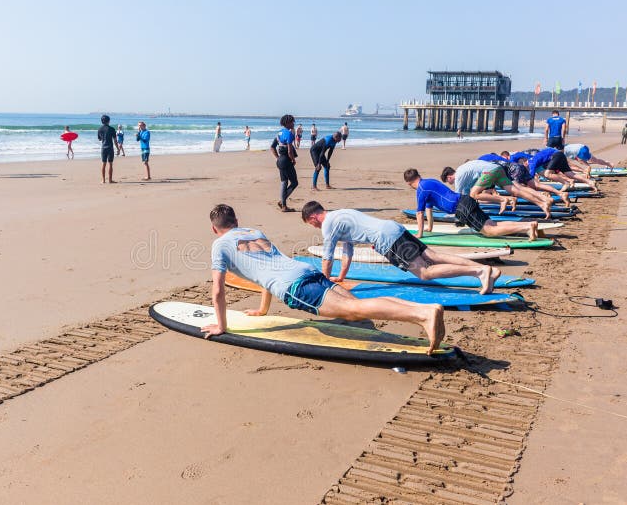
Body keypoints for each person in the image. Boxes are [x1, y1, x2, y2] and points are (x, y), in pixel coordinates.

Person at [205, 204, 447, 355]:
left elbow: (218, 291)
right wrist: (262, 309)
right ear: (236, 222)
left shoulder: (219, 245)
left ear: (215, 229)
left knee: (354, 310)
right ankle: (424, 308)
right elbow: (265, 274)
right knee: (356, 308)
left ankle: (423, 315)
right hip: (306, 271)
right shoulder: (254, 232)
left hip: (294, 287)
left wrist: (221, 327)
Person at [301, 202, 500, 295]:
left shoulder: (328, 224)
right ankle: (487, 272)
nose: (315, 227)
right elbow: (347, 251)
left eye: (312, 224)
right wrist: (342, 276)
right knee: (434, 256)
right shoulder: (341, 214)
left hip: (387, 240)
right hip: (394, 228)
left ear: (313, 217)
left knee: (424, 272)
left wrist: (324, 282)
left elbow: (327, 257)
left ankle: (479, 271)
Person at [403, 169, 538, 241]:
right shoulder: (429, 182)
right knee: (492, 224)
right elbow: (428, 209)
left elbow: (419, 213)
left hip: (462, 207)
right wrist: (429, 228)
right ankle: (529, 225)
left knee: (489, 231)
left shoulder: (422, 189)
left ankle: (526, 227)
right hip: (465, 200)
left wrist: (419, 234)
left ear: (409, 183)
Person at [441, 160, 554, 218]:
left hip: (490, 172)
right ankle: (542, 203)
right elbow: (466, 194)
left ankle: (503, 200)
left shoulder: (459, 177)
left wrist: (455, 213)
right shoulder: (464, 171)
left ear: (449, 177)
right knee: (515, 191)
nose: (451, 183)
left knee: (474, 194)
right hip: (497, 168)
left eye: (448, 181)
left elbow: (458, 197)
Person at [505, 151, 572, 207]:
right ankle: (560, 193)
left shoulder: (511, 158)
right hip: (529, 165)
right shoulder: (512, 157)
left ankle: (544, 197)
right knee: (536, 184)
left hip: (527, 165)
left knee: (519, 188)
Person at [527, 147, 599, 193]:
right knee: (570, 174)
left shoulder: (531, 162)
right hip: (559, 154)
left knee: (547, 174)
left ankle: (565, 184)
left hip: (556, 155)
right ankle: (590, 182)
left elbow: (531, 177)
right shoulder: (533, 159)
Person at [270, 114, 298, 212]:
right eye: (292, 121)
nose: (293, 123)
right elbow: (290, 151)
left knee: (284, 182)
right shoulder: (289, 134)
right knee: (294, 182)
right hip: (286, 161)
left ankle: (284, 205)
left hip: (280, 161)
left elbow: (272, 147)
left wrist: (277, 158)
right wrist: (293, 160)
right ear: (287, 123)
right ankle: (282, 203)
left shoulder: (279, 133)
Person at [98, 114, 118, 183]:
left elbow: (99, 139)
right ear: (108, 121)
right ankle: (110, 180)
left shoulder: (100, 129)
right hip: (110, 148)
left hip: (103, 148)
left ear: (102, 121)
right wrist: (118, 148)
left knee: (104, 164)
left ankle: (103, 180)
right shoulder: (112, 129)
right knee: (110, 164)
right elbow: (115, 140)